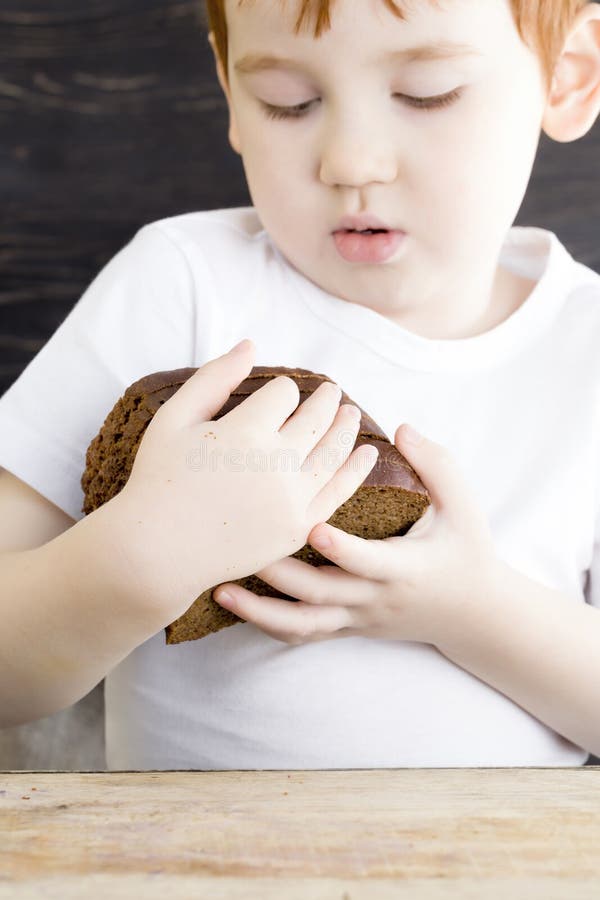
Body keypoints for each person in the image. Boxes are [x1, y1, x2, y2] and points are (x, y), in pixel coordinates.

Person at [0, 0, 600, 770]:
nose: (350, 161)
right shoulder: (185, 286)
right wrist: (143, 557)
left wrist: (471, 610)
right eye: (289, 101)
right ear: (232, 96)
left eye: (426, 91)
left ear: (569, 77)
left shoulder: (584, 352)